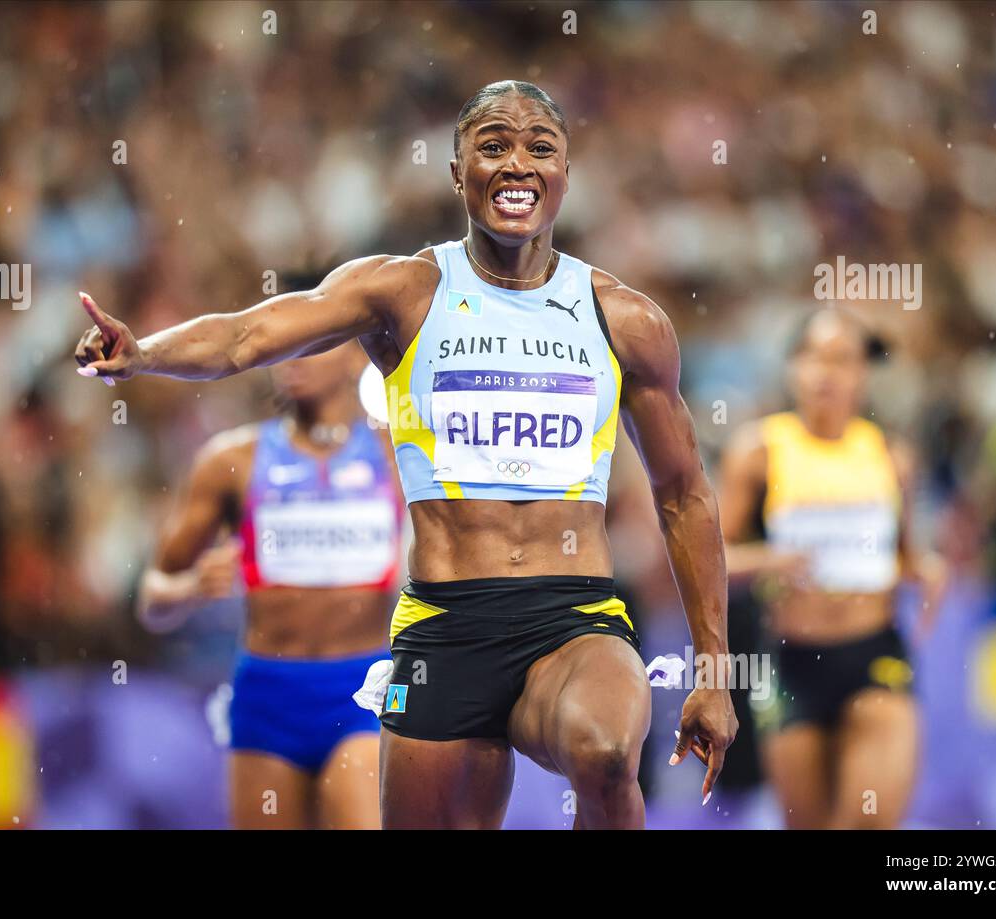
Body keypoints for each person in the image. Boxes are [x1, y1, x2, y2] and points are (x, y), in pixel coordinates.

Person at [75, 80, 735, 830]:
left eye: (539, 147)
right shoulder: (405, 292)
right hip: (444, 625)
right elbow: (246, 336)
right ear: (458, 173)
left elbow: (684, 494)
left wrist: (713, 670)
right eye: (493, 146)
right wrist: (144, 353)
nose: (516, 163)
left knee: (608, 747)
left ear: (564, 174)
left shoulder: (625, 319)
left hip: (572, 615)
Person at [137, 343, 403, 829]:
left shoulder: (397, 455)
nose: (294, 359)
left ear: (357, 356)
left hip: (366, 690)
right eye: (285, 346)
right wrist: (191, 586)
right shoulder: (230, 461)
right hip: (267, 698)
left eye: (316, 345)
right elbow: (152, 599)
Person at [717, 307, 945, 829]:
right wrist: (771, 559)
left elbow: (909, 555)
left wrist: (928, 570)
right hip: (791, 662)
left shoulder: (890, 455)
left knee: (870, 822)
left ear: (863, 374)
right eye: (814, 358)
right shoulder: (758, 451)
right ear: (792, 367)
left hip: (874, 655)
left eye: (842, 361)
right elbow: (713, 556)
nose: (826, 374)